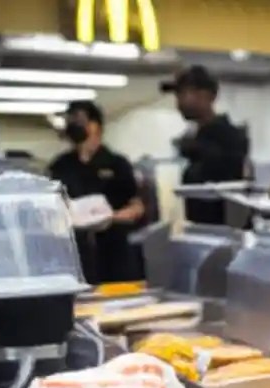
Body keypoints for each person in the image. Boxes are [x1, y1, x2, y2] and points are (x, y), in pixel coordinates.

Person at [48, 100, 145, 284]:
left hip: (114, 252)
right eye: (71, 120)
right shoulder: (60, 166)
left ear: (96, 125)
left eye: (80, 119)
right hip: (75, 253)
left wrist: (107, 218)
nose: (74, 125)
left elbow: (136, 208)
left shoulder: (117, 164)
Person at [161, 65, 250, 226]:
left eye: (183, 94)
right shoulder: (194, 138)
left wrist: (191, 148)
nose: (178, 103)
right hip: (201, 229)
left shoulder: (229, 138)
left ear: (207, 96)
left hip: (226, 233)